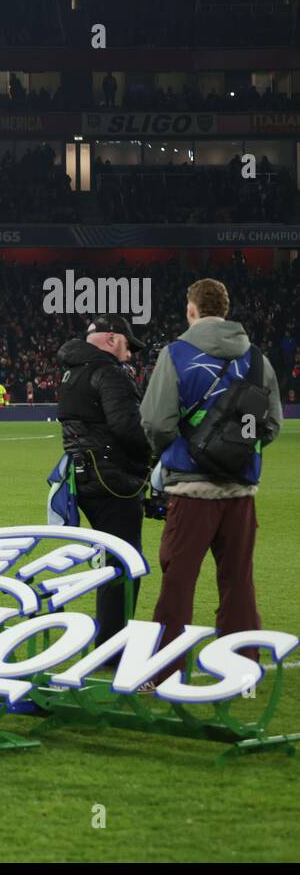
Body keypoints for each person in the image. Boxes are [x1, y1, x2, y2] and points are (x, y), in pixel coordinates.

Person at [140, 278, 284, 685]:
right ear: (226, 308)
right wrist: (236, 449)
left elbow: (155, 422)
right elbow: (270, 425)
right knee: (239, 583)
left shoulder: (176, 354)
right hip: (240, 492)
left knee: (178, 585)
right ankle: (244, 672)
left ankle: (164, 673)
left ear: (191, 310)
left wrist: (178, 451)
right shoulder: (257, 358)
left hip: (190, 489)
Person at [57, 314, 150, 647]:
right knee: (125, 563)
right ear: (112, 339)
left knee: (113, 559)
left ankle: (109, 642)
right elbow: (128, 427)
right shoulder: (108, 372)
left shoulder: (71, 371)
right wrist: (155, 456)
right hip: (113, 481)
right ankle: (112, 649)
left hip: (83, 477)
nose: (130, 354)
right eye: (127, 345)